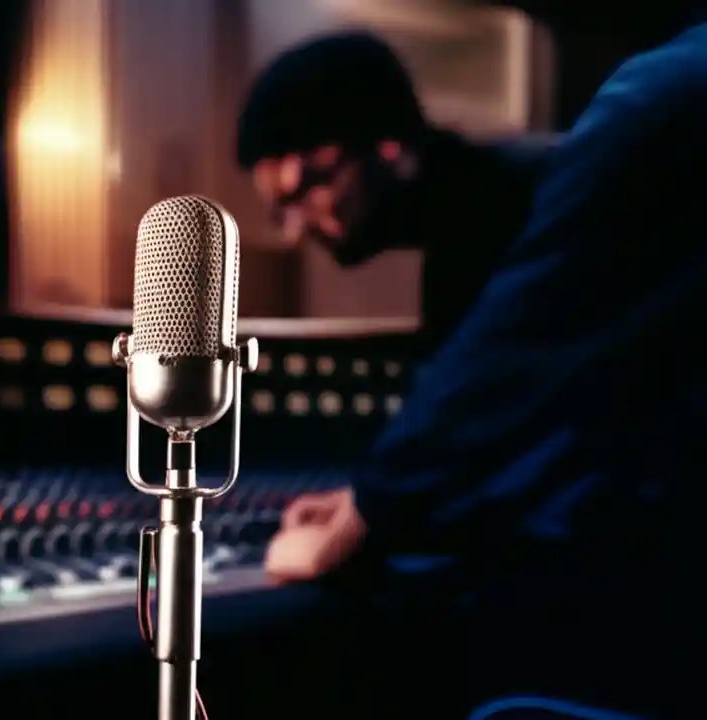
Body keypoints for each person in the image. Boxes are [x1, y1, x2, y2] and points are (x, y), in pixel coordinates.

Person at [251, 5, 707, 718]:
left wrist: (370, 511)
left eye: (309, 182)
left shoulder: (640, 111)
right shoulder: (475, 210)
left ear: (389, 145)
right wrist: (371, 497)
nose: (300, 221)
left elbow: (517, 363)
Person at [236, 31, 550, 356]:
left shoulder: (492, 220)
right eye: (281, 212)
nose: (295, 232)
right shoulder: (465, 214)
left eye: (307, 189)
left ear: (387, 147)